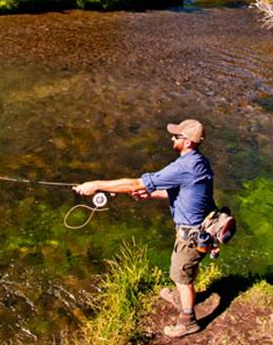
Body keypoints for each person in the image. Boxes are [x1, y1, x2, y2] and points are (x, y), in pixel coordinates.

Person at [73, 118, 216, 338]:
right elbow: (182, 193)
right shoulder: (199, 162)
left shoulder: (183, 166)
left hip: (191, 235)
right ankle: (184, 296)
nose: (172, 138)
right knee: (186, 270)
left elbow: (135, 183)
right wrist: (149, 193)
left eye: (176, 136)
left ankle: (188, 321)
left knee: (180, 276)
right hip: (201, 231)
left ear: (187, 142)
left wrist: (96, 184)